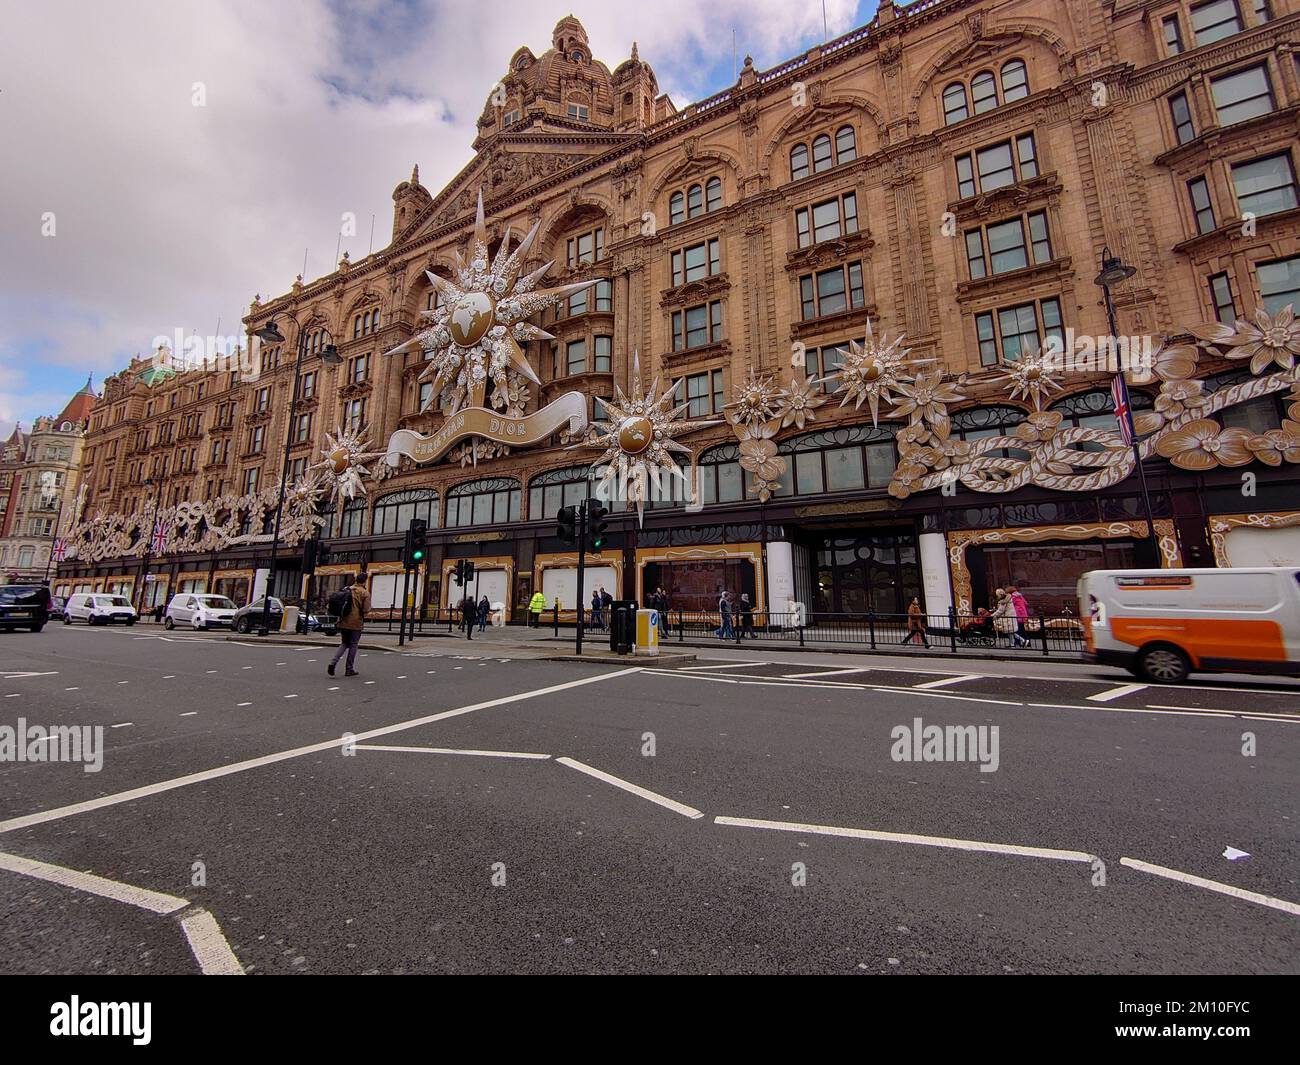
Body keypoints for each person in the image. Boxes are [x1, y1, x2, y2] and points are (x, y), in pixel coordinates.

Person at [327, 568, 369, 677]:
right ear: (364, 581)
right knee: (353, 644)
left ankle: (333, 662)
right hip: (356, 622)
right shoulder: (364, 593)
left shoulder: (347, 589)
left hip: (343, 620)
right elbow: (366, 609)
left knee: (344, 643)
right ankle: (349, 669)